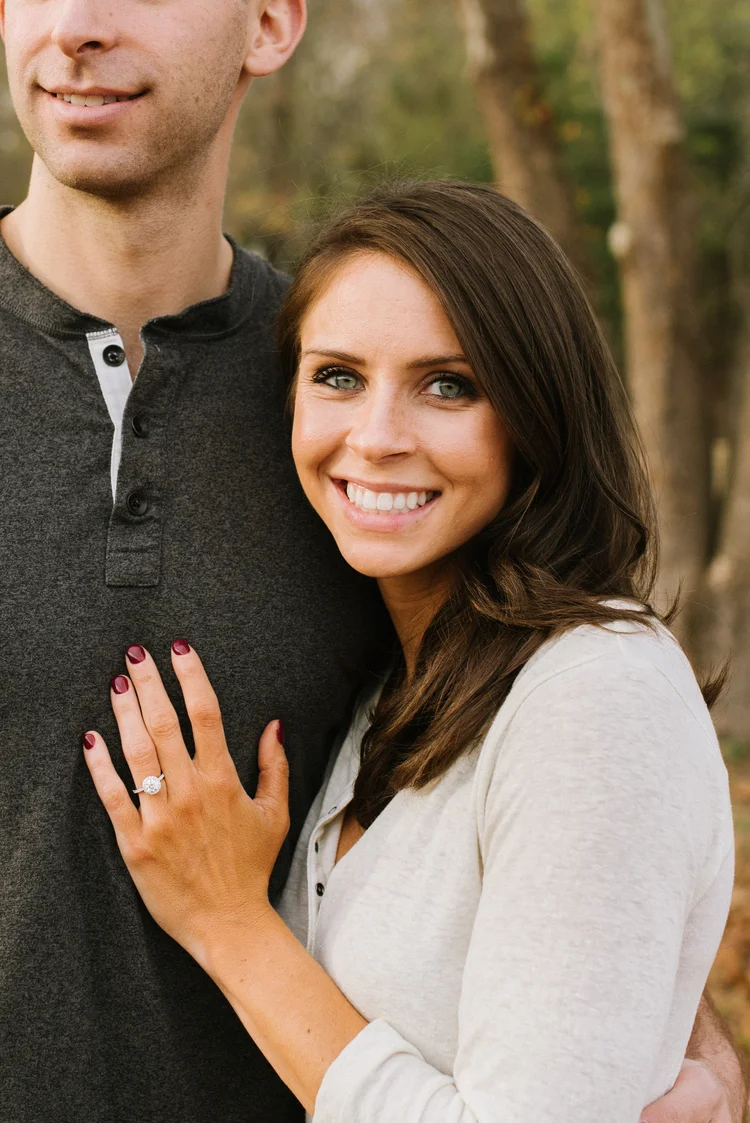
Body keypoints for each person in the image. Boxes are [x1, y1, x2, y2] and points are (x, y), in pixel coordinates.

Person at [0, 0, 742, 1116]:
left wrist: (677, 1030)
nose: (76, 24)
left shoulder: (323, 389)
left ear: (269, 22)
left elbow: (573, 822)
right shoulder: (340, 400)